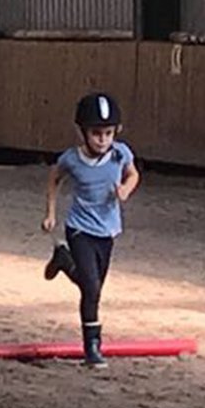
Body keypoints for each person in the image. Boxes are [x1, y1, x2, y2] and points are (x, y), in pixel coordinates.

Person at [41, 92, 140, 368]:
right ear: (82, 132)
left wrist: (125, 190)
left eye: (108, 133)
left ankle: (63, 261)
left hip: (107, 231)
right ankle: (92, 345)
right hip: (80, 228)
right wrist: (51, 213)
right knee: (92, 288)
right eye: (96, 133)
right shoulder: (72, 159)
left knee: (93, 284)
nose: (103, 140)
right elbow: (54, 179)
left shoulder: (121, 154)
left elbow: (133, 174)